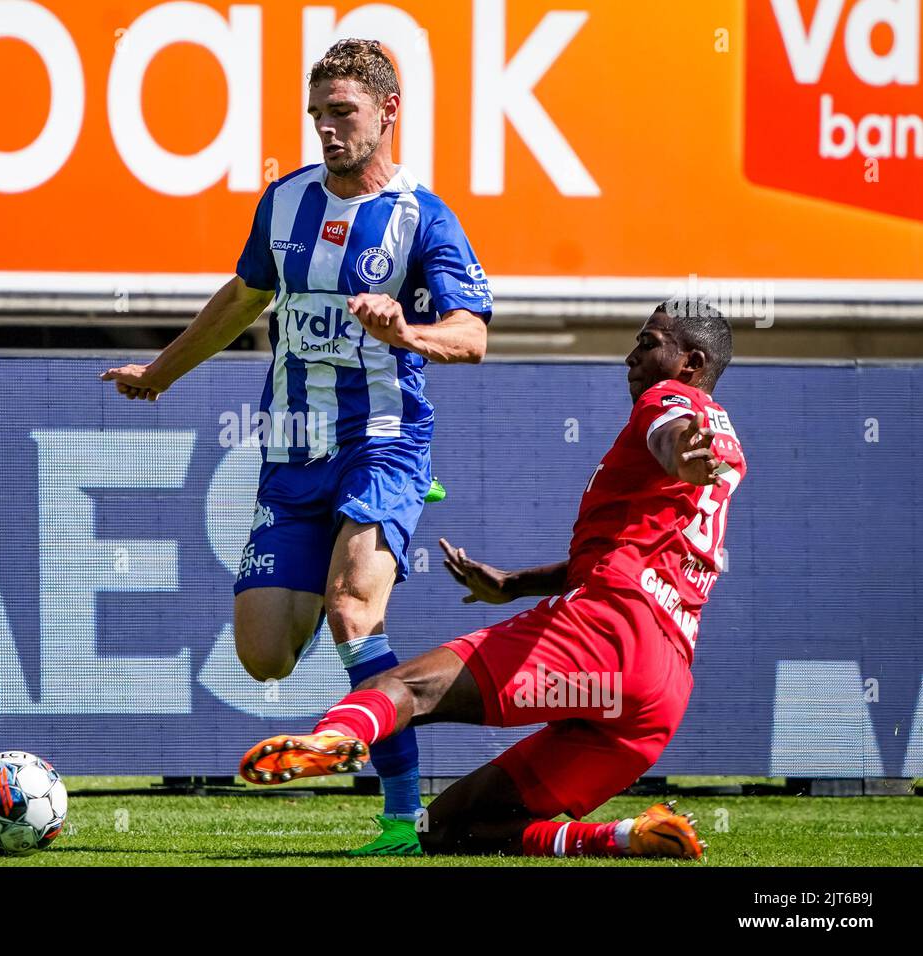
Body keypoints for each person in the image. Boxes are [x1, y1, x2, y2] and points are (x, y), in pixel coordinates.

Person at [103, 39, 492, 854]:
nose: (325, 128)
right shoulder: (283, 204)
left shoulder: (426, 218)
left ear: (389, 112)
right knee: (264, 656)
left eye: (341, 111)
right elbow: (242, 297)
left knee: (357, 611)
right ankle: (325, 595)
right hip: (291, 452)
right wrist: (162, 373)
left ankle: (400, 819)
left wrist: (407, 330)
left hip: (384, 445)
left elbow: (471, 336)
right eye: (317, 114)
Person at [240, 300, 745, 859]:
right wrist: (515, 585)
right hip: (659, 689)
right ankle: (629, 836)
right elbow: (631, 552)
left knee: (406, 690)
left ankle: (336, 738)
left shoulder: (673, 402)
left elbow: (669, 430)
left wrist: (679, 452)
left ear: (691, 363)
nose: (632, 356)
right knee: (447, 830)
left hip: (605, 636)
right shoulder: (720, 449)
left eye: (648, 343)